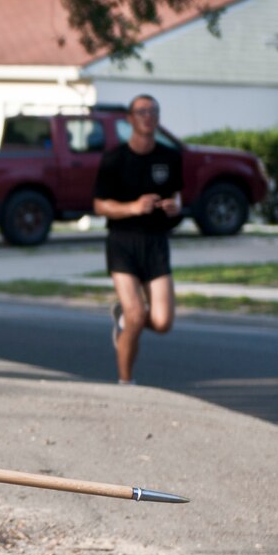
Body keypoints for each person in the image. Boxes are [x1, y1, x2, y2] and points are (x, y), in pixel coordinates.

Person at [93, 94, 183, 384]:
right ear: (130, 119)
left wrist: (174, 207)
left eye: (153, 111)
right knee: (136, 316)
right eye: (142, 111)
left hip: (156, 242)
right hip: (123, 242)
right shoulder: (115, 159)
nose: (148, 116)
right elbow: (100, 205)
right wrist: (133, 207)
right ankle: (126, 383)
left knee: (162, 322)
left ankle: (123, 319)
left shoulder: (169, 157)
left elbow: (177, 196)